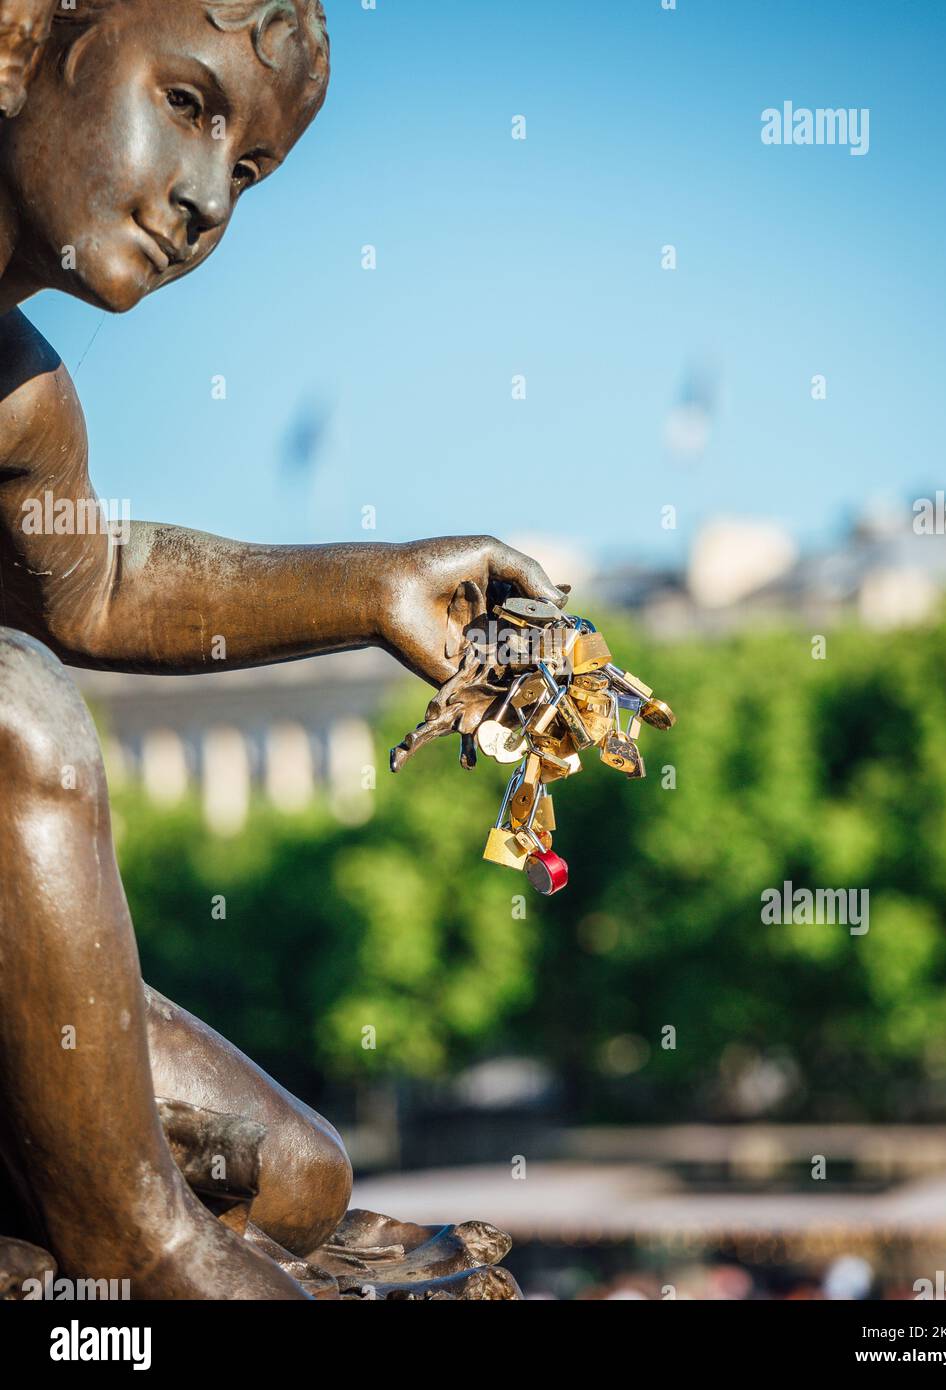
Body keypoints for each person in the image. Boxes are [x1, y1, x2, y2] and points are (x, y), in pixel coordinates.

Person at [0, 0, 562, 1298]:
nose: (206, 199)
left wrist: (375, 586)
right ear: (21, 40)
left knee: (294, 1175)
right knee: (15, 707)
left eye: (248, 170)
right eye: (187, 105)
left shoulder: (22, 397)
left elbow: (97, 586)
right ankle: (139, 1254)